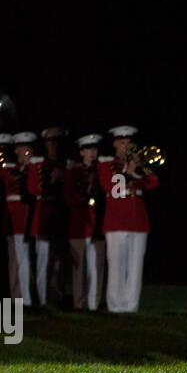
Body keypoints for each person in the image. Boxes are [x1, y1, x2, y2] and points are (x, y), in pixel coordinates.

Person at [99, 125, 160, 312]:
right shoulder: (106, 163)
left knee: (135, 266)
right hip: (117, 221)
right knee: (117, 265)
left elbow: (153, 183)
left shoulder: (138, 165)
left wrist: (140, 167)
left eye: (129, 143)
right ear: (115, 144)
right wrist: (128, 169)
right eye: (123, 143)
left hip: (138, 221)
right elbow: (113, 189)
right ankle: (116, 306)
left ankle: (131, 305)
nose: (127, 147)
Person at [64, 133, 107, 309]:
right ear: (81, 152)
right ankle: (80, 303)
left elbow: (114, 192)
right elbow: (69, 197)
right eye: (88, 149)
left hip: (98, 224)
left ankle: (94, 302)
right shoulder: (73, 172)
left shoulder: (104, 170)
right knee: (79, 266)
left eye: (94, 149)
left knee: (97, 267)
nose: (92, 153)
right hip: (79, 224)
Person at [26, 128, 68, 306]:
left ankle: (56, 297)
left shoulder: (66, 163)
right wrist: (52, 180)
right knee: (43, 260)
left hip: (61, 214)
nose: (54, 145)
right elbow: (33, 188)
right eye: (50, 142)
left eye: (57, 142)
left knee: (59, 261)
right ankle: (43, 299)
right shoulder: (38, 164)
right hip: (43, 213)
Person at [0, 131, 37, 304]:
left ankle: (31, 297)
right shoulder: (8, 170)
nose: (25, 152)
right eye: (22, 149)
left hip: (32, 219)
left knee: (30, 260)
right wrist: (24, 169)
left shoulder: (35, 168)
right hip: (16, 221)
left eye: (28, 148)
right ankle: (20, 299)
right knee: (18, 260)